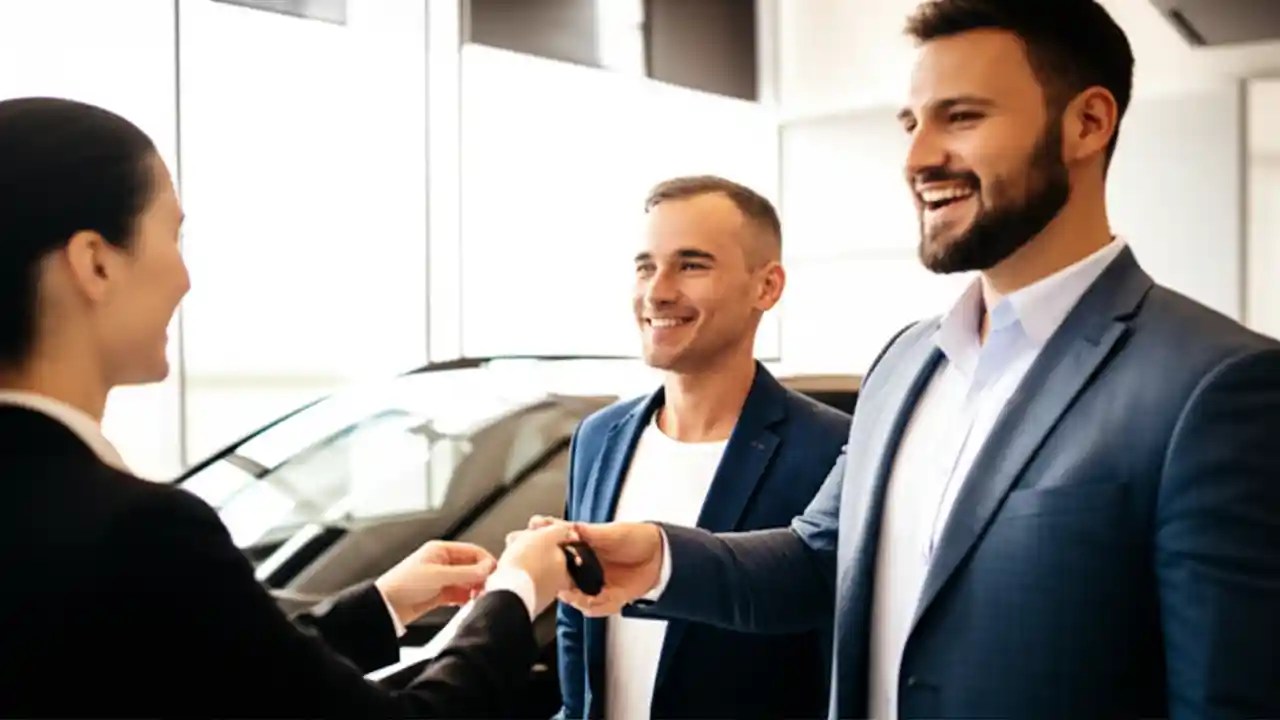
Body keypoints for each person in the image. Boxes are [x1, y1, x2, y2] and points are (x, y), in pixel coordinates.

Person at [543, 1, 1280, 718]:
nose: (919, 158)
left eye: (962, 117)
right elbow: (815, 561)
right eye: (911, 123)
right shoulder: (904, 363)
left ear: (1087, 122)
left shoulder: (1214, 386)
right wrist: (659, 557)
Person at [0, 96, 575, 718]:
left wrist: (381, 604)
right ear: (95, 263)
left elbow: (225, 671)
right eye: (173, 234)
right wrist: (518, 592)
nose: (185, 276)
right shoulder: (140, 531)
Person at [555, 176, 849, 719]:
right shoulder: (599, 438)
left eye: (691, 265)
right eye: (646, 266)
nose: (658, 291)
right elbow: (576, 634)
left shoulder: (834, 449)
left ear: (766, 287)